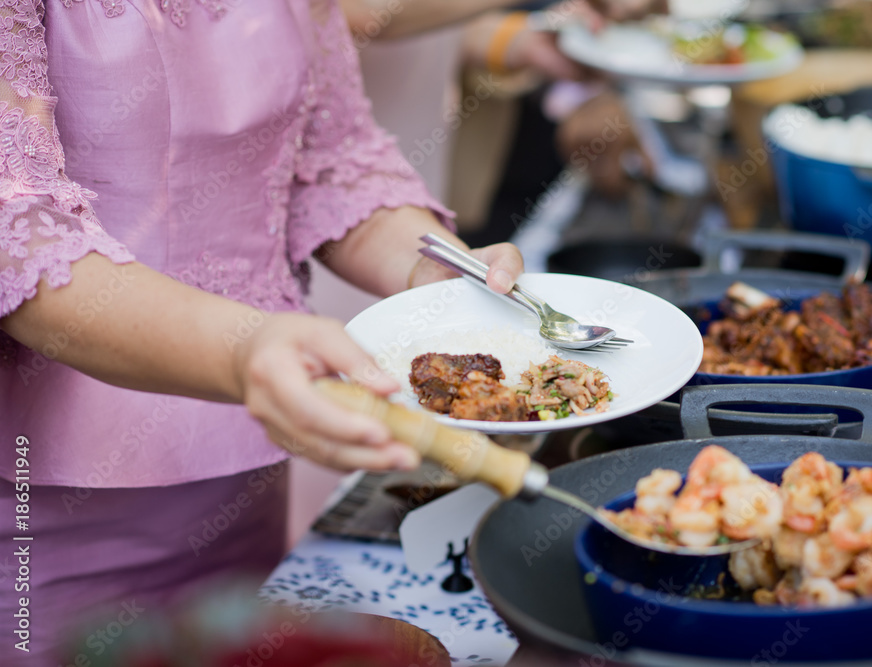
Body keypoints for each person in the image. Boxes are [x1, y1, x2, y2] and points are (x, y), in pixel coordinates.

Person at [0, 0, 524, 662]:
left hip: (247, 457)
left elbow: (336, 158)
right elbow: (18, 230)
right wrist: (246, 348)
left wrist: (439, 268)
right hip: (58, 495)